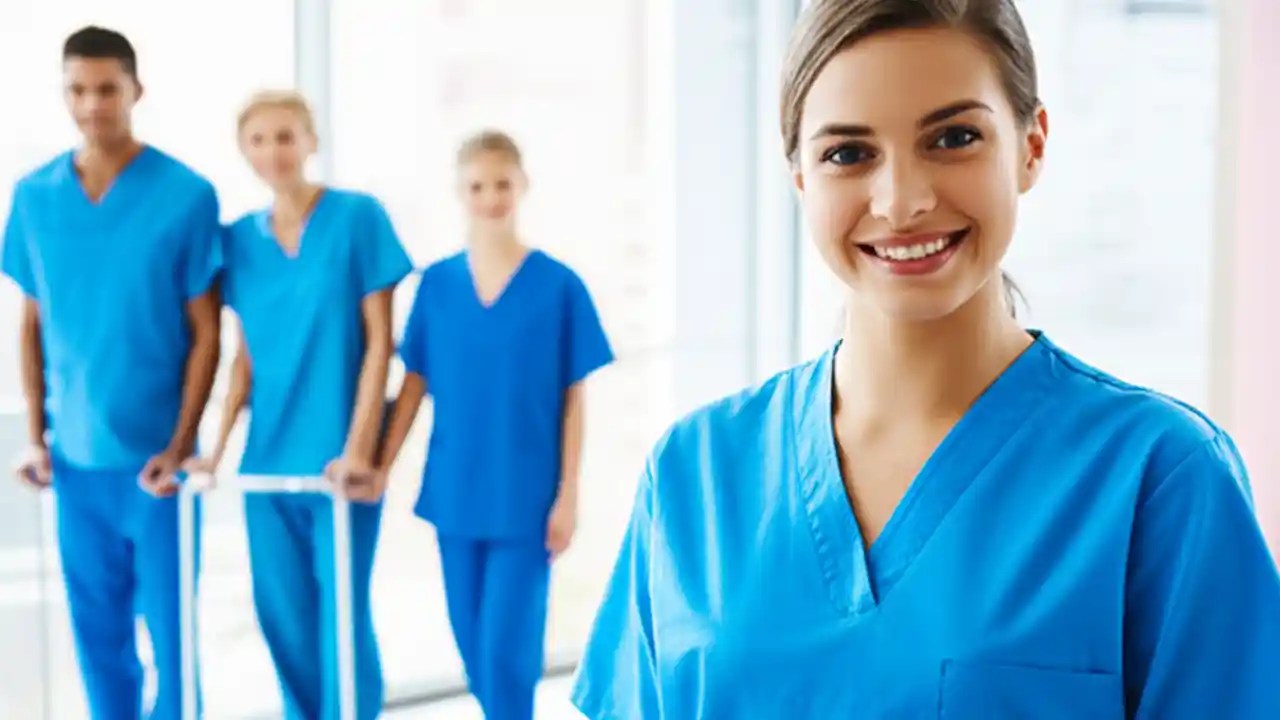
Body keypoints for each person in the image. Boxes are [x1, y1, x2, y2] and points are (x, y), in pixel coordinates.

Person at [571, 0, 1280, 718]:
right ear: (799, 179)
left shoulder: (1160, 479)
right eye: (848, 153)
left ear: (1031, 146)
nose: (902, 201)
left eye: (953, 137)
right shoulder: (696, 474)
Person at [1, 26, 222, 720]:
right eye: (77, 89)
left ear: (135, 91)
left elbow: (207, 333)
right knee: (98, 641)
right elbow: (33, 326)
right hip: (75, 462)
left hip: (156, 465)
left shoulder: (185, 194)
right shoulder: (35, 197)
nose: (91, 104)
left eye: (106, 88)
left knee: (172, 638)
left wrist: (182, 444)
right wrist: (36, 437)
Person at [184, 90, 412, 720]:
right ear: (244, 151)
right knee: (281, 618)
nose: (273, 151)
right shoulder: (238, 243)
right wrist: (216, 453)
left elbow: (378, 345)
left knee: (341, 615)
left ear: (311, 141)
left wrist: (361, 449)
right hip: (267, 466)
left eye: (285, 136)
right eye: (258, 140)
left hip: (342, 465)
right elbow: (244, 360)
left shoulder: (358, 218)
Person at [375, 129, 614, 719]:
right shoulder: (436, 285)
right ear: (460, 191)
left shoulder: (559, 285)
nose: (490, 197)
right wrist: (380, 466)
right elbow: (412, 389)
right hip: (454, 493)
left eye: (502, 183)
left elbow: (573, 401)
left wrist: (569, 496)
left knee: (507, 655)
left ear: (523, 185)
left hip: (526, 498)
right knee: (472, 650)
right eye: (477, 185)